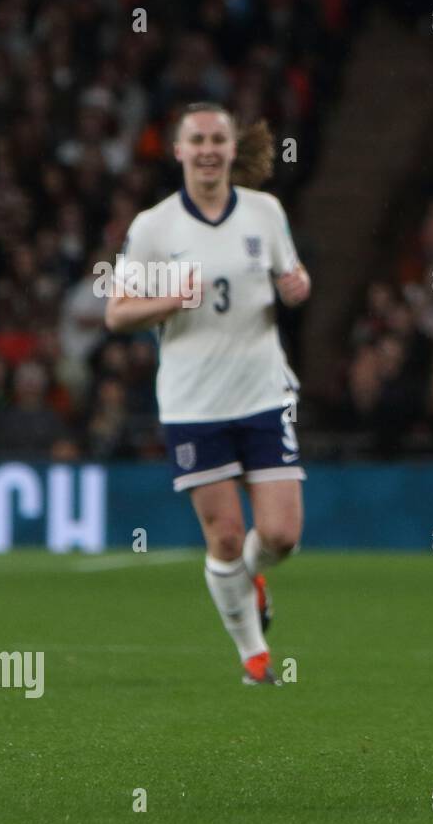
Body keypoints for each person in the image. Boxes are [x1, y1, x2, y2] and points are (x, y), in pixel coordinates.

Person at [105, 102, 310, 685]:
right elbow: (117, 314)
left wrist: (298, 287)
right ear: (178, 151)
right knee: (222, 535)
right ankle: (255, 658)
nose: (208, 149)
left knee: (281, 535)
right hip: (194, 403)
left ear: (230, 147)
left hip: (263, 391)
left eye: (218, 138)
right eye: (196, 140)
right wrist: (171, 300)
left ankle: (253, 575)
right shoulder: (154, 227)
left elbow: (290, 279)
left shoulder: (265, 213)